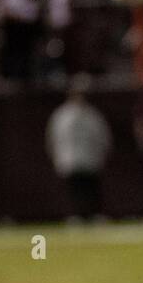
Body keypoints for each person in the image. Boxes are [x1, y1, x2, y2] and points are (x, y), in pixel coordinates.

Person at [46, 78, 111, 221]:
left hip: (90, 157)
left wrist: (102, 153)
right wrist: (56, 155)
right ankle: (75, 215)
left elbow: (102, 136)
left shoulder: (92, 114)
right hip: (70, 158)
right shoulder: (61, 115)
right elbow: (54, 137)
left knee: (91, 188)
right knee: (73, 189)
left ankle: (95, 214)